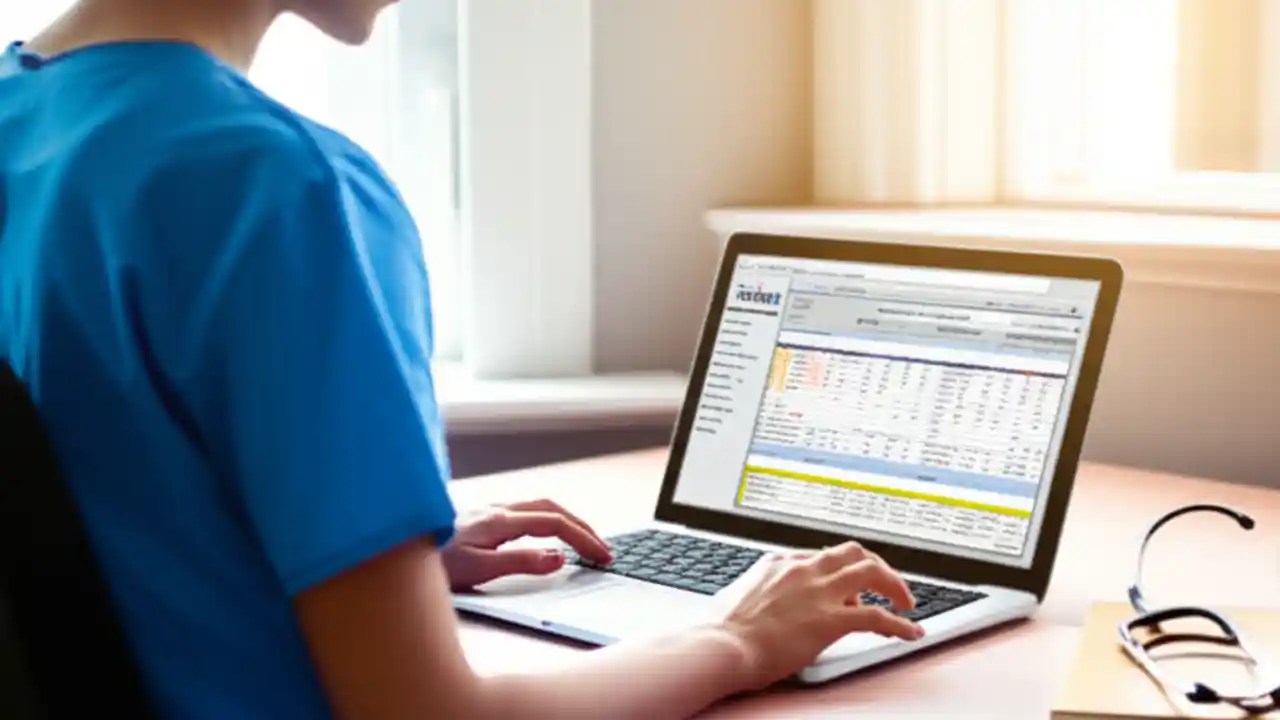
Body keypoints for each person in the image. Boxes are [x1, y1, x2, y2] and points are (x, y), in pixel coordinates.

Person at [0, 0, 926, 717]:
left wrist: (371, 571)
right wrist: (735, 638)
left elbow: (100, 517)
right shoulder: (281, 188)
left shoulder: (22, 123)